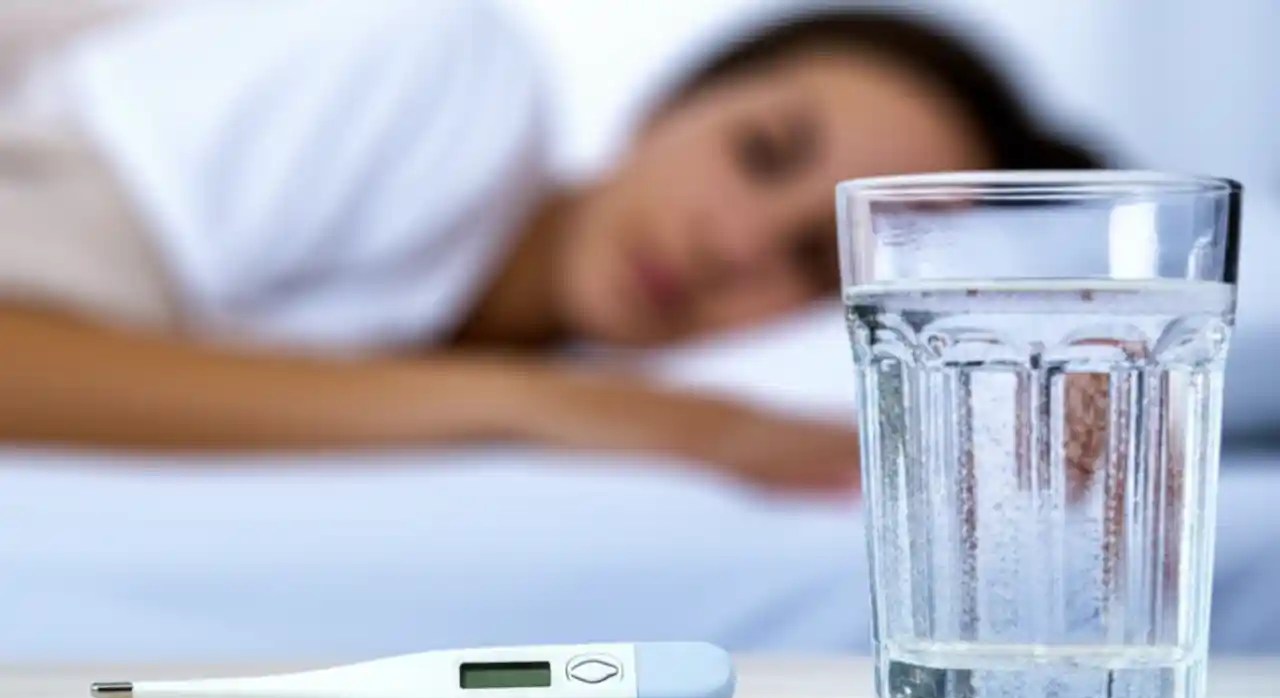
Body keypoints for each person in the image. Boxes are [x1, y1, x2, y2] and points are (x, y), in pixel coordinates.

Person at [0, 0, 1097, 492]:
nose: (734, 245)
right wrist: (534, 404)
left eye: (818, 263)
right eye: (758, 152)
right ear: (667, 107)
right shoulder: (438, 72)